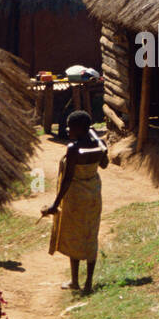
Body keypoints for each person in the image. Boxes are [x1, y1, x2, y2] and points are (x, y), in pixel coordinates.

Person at [43, 110, 109, 294]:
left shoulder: (73, 148)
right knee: (90, 235)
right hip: (94, 194)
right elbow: (104, 165)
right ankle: (87, 283)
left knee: (74, 236)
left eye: (70, 126)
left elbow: (68, 179)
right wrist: (105, 150)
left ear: (80, 128)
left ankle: (75, 281)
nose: (67, 129)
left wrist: (55, 205)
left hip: (76, 197)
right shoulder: (99, 145)